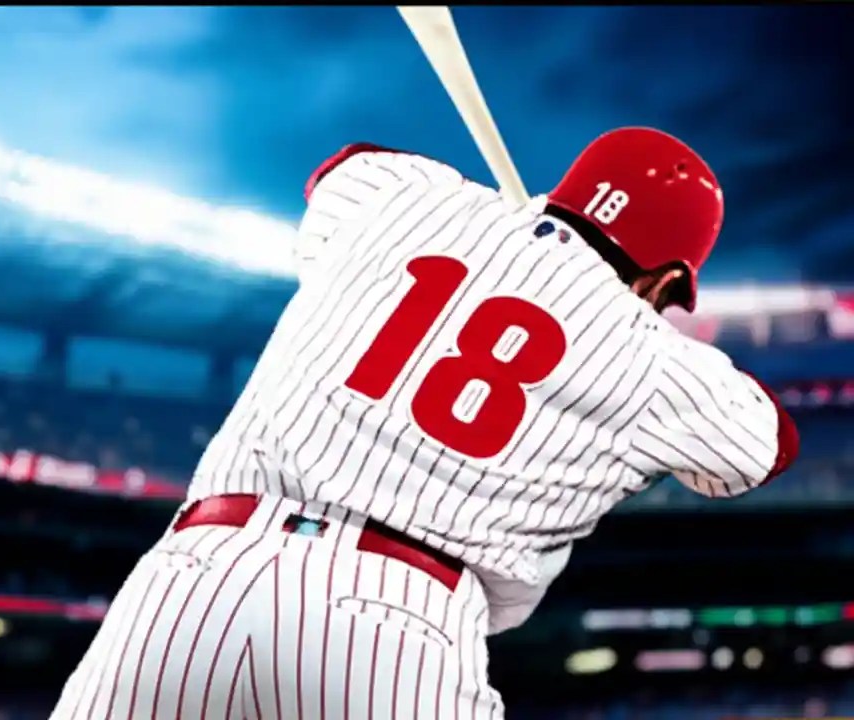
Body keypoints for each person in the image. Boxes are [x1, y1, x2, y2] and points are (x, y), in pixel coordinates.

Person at [50, 127, 799, 719]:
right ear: (667, 280)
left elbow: (343, 166)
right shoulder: (652, 360)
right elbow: (768, 447)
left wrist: (505, 223)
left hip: (197, 575)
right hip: (394, 624)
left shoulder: (408, 200)